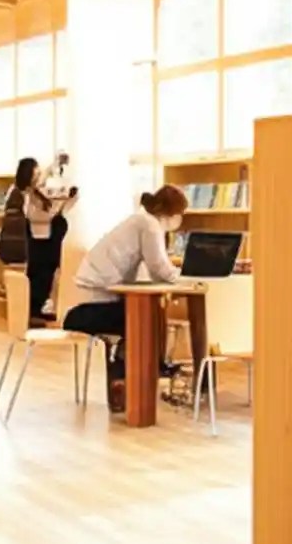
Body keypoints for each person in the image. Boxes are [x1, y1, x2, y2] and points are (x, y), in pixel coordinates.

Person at [64, 184, 188, 412]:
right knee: (142, 319)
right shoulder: (149, 225)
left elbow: (152, 268)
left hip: (90, 299)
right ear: (173, 213)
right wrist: (183, 278)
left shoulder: (141, 220)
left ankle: (125, 378)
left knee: (140, 317)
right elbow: (158, 265)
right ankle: (133, 378)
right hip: (92, 305)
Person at [27, 164, 78, 323]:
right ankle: (33, 311)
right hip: (39, 243)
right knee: (39, 278)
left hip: (45, 243)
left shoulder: (40, 198)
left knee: (45, 279)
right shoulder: (31, 198)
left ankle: (37, 310)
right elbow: (38, 217)